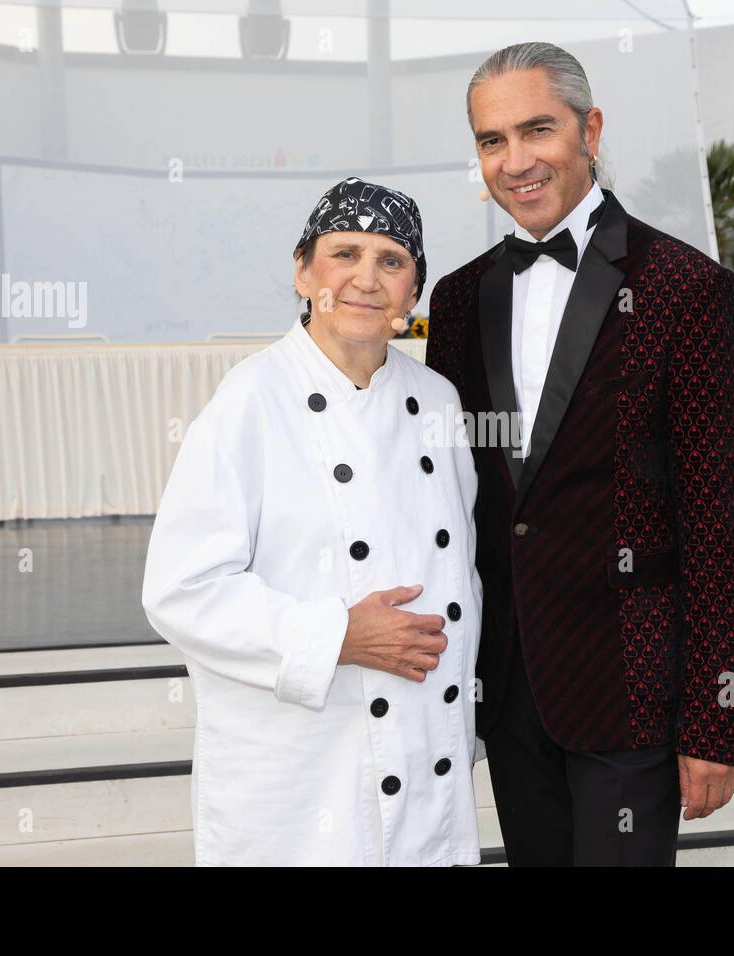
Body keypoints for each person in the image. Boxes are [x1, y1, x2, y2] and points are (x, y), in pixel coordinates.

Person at [425, 42, 734, 866]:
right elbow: (446, 496)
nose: (516, 161)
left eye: (537, 129)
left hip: (635, 694)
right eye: (491, 140)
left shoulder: (687, 289)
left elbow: (725, 522)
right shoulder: (460, 298)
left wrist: (721, 717)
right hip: (508, 690)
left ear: (591, 129)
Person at [142, 177, 483, 866]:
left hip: (426, 758)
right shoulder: (251, 399)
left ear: (413, 292)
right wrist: (336, 635)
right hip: (301, 775)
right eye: (344, 254)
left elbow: (464, 575)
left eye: (392, 261)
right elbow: (181, 589)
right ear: (304, 271)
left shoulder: (439, 401)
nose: (367, 278)